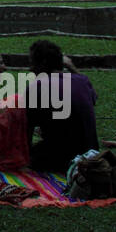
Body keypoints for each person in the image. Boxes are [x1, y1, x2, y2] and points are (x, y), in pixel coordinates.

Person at [26, 40, 99, 173]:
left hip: (62, 160)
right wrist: (72, 67)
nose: (30, 68)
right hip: (91, 154)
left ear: (42, 63)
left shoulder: (38, 86)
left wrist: (24, 156)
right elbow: (94, 98)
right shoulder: (82, 80)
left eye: (32, 62)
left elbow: (27, 128)